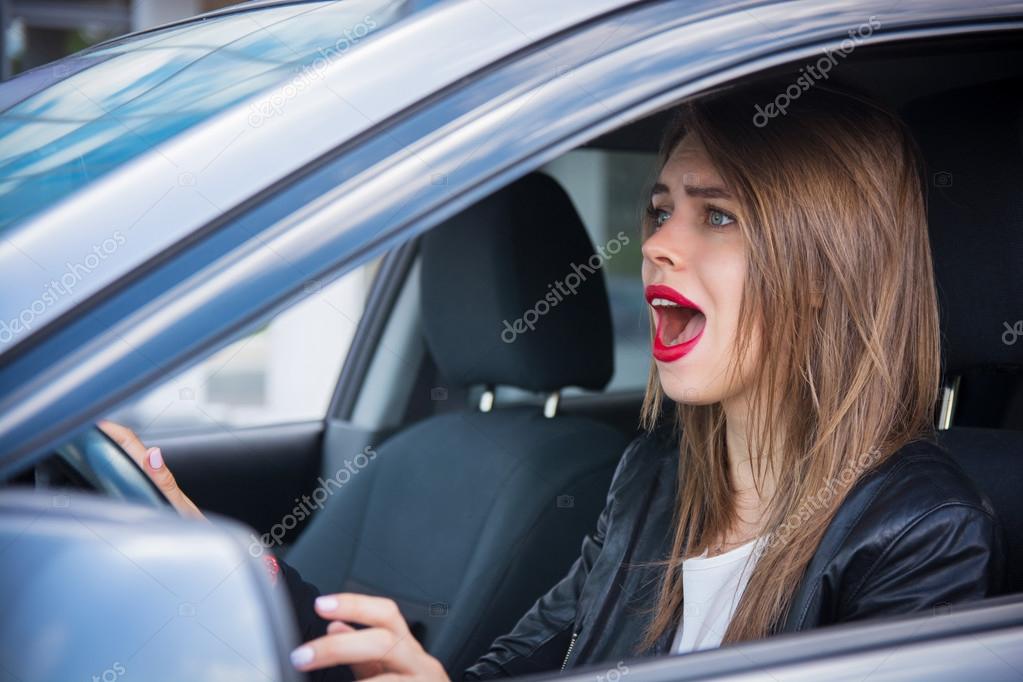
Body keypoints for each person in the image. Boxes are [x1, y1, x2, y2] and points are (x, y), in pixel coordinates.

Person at [99, 82, 1005, 681]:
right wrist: (210, 549)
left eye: (717, 216)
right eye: (660, 209)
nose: (655, 242)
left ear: (824, 273)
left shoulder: (919, 533)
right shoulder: (654, 478)